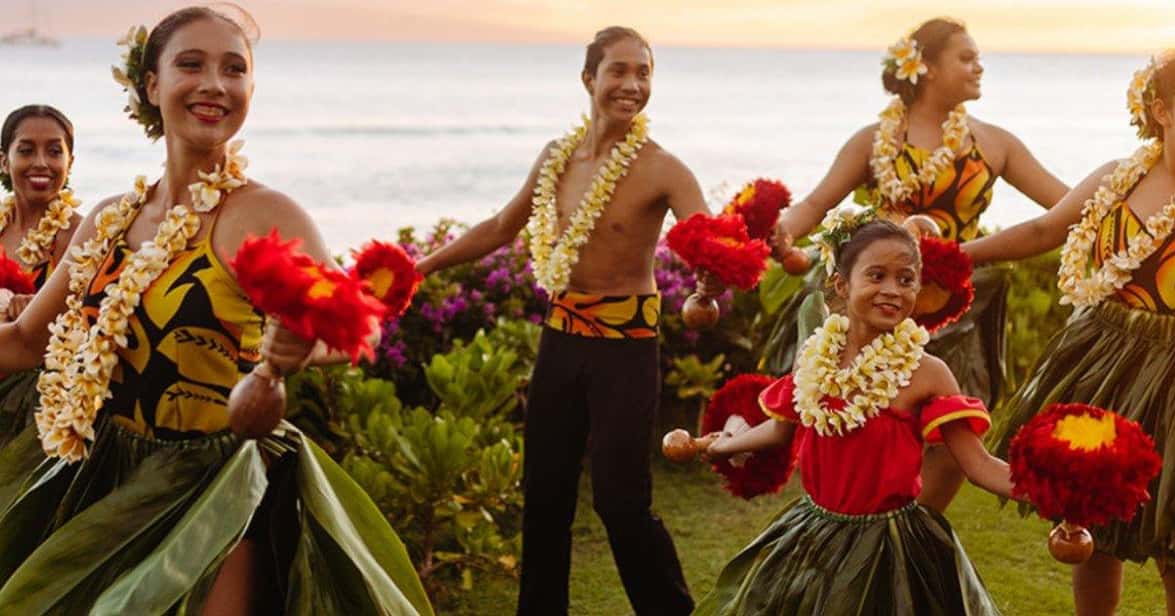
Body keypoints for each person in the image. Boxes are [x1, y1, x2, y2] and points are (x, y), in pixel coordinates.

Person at [0, 6, 431, 614]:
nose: (215, 85)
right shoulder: (107, 219)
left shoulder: (265, 215)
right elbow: (23, 341)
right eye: (191, 64)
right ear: (152, 85)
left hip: (215, 492)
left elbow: (352, 326)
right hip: (99, 479)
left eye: (235, 69)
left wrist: (302, 342)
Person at [416, 26, 712, 616]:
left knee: (621, 502)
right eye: (619, 71)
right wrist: (417, 268)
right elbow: (502, 227)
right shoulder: (556, 158)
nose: (632, 85)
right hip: (561, 341)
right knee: (545, 496)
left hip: (626, 350)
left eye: (644, 73)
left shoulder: (664, 169)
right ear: (589, 80)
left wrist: (705, 290)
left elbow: (710, 242)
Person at [767, 17, 1068, 513]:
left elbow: (1061, 213)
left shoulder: (994, 144)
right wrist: (784, 232)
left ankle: (910, 532)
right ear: (925, 67)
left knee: (955, 426)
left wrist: (961, 256)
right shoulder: (873, 141)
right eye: (966, 58)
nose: (979, 67)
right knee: (857, 419)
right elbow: (817, 203)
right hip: (880, 301)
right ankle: (850, 517)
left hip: (959, 309)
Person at [696, 219, 1015, 616]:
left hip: (890, 546)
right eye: (876, 275)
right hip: (812, 533)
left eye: (906, 279)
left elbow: (979, 464)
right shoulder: (816, 358)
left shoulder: (927, 372)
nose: (892, 291)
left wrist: (1054, 490)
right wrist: (723, 445)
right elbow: (780, 431)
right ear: (843, 285)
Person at [966, 49, 1175, 616]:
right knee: (1093, 516)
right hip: (1105, 362)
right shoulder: (1118, 178)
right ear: (1161, 110)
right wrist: (951, 256)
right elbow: (1043, 229)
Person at [0, 105, 82, 446]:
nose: (40, 163)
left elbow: (89, 318)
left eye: (54, 151)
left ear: (70, 163)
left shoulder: (79, 235)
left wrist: (36, 308)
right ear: (4, 161)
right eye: (26, 150)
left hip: (37, 409)